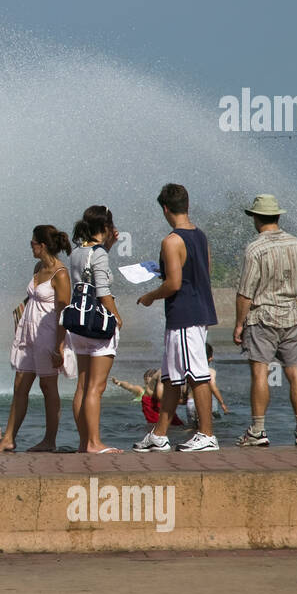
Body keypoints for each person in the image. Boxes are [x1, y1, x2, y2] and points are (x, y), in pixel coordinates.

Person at [232, 194, 297, 447]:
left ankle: (258, 431)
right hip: (290, 318)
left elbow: (244, 293)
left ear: (256, 218)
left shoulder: (255, 248)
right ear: (277, 215)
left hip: (261, 317)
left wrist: (239, 324)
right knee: (295, 372)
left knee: (260, 372)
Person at [134, 183, 220, 452]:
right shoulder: (201, 236)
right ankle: (159, 435)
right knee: (171, 377)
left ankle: (207, 435)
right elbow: (202, 271)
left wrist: (149, 296)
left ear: (165, 208)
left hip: (185, 315)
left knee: (197, 375)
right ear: (187, 205)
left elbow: (173, 284)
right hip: (195, 312)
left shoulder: (171, 241)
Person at [0, 225, 75, 452]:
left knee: (48, 386)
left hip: (48, 334)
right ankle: (9, 438)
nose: (30, 246)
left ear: (42, 245)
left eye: (33, 243)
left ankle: (49, 440)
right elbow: (34, 298)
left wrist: (59, 346)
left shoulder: (60, 274)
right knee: (20, 384)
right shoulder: (38, 266)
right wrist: (21, 307)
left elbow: (63, 310)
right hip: (27, 332)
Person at [68, 205, 123, 453]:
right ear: (106, 227)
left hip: (79, 325)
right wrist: (116, 316)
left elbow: (86, 281)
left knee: (82, 386)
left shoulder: (77, 252)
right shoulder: (100, 254)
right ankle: (94, 443)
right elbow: (102, 290)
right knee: (96, 388)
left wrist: (106, 245)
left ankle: (83, 442)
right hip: (99, 325)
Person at [112, 369, 185, 427]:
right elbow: (130, 386)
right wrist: (119, 383)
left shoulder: (163, 389)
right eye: (146, 383)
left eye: (150, 383)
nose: (148, 385)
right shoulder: (141, 391)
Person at [184, 343, 230, 427]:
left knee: (191, 427)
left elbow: (185, 388)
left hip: (190, 403)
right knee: (204, 428)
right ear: (210, 358)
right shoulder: (210, 371)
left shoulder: (190, 370)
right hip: (201, 403)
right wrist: (222, 403)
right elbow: (213, 387)